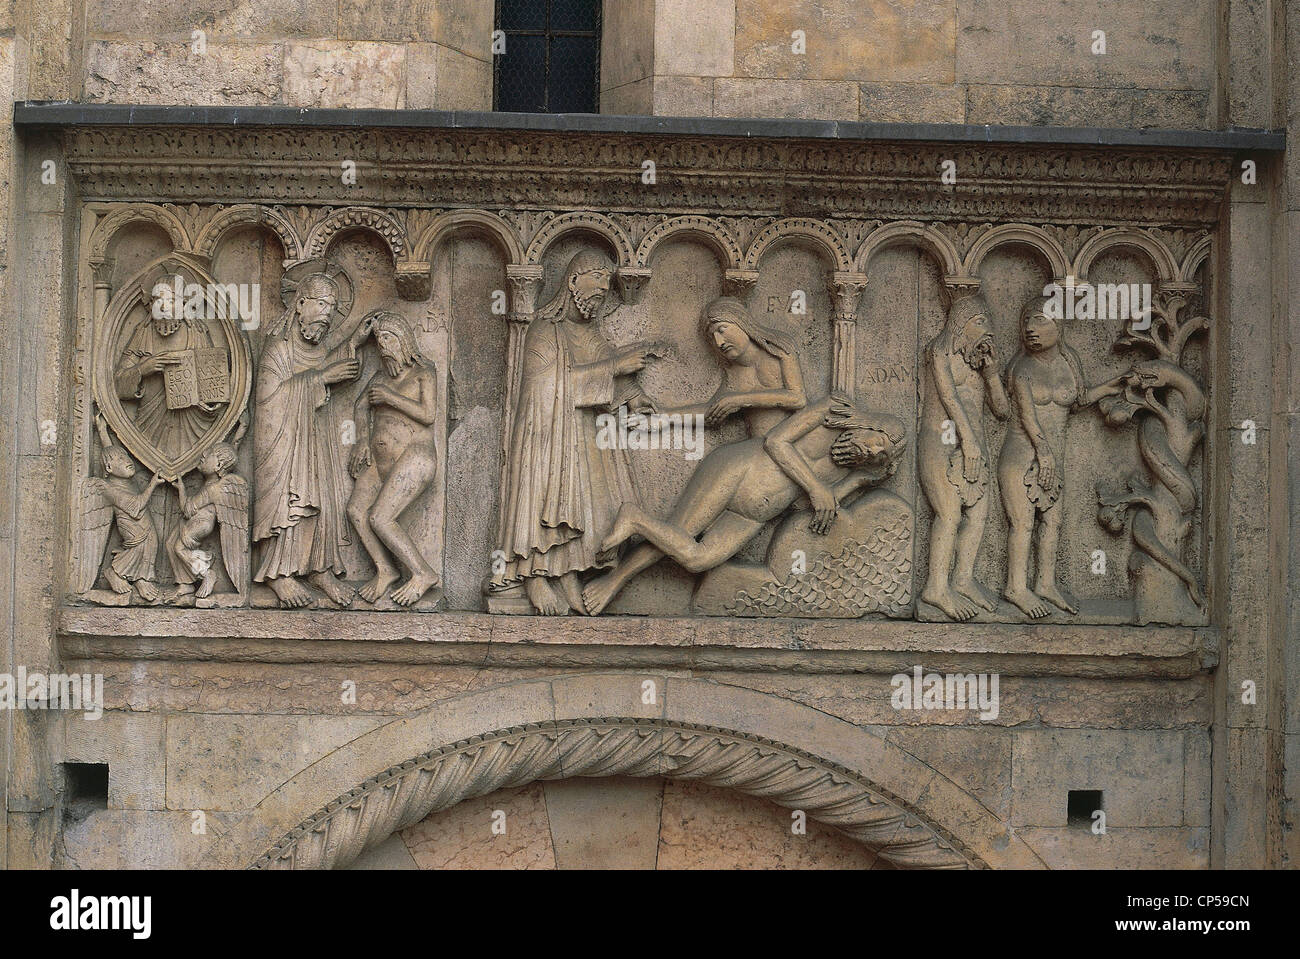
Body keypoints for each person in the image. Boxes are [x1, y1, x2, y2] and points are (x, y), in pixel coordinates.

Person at [582, 395, 906, 615]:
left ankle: (635, 520)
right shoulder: (832, 410)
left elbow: (818, 507)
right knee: (681, 529)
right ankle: (617, 579)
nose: (872, 452)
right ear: (872, 425)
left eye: (880, 456)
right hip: (740, 470)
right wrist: (815, 486)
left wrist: (862, 481)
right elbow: (776, 441)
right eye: (878, 443)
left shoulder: (848, 470)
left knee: (696, 558)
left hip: (753, 516)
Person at [492, 250, 662, 615]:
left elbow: (605, 386)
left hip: (585, 438)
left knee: (589, 503)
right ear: (572, 281)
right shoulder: (544, 330)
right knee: (543, 496)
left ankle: (567, 572)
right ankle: (534, 575)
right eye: (597, 276)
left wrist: (633, 397)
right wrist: (615, 366)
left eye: (607, 280)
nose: (604, 287)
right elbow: (544, 387)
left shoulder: (593, 337)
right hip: (546, 436)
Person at [998, 294, 1125, 618]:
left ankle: (1045, 583)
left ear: (1059, 326)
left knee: (1052, 522)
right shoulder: (1023, 368)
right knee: (1023, 524)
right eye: (1026, 320)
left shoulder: (1068, 363)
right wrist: (1045, 456)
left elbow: (1079, 400)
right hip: (1023, 454)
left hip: (1052, 457)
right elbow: (1028, 418)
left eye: (1039, 319)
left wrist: (1111, 387)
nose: (1030, 327)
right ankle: (1016, 587)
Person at [252, 270, 371, 608]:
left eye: (332, 307)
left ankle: (319, 570)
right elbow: (269, 402)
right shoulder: (277, 350)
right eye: (320, 304)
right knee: (291, 502)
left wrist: (353, 345)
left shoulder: (316, 351)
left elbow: (331, 368)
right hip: (284, 446)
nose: (327, 314)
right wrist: (320, 379)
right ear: (300, 304)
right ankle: (279, 574)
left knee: (322, 499)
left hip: (316, 442)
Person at [918, 293, 1008, 621]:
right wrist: (967, 443)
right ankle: (936, 588)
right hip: (940, 443)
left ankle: (963, 579)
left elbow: (1002, 411)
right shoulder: (939, 351)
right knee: (949, 514)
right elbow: (948, 397)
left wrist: (993, 373)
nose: (990, 331)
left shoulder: (978, 362)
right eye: (981, 322)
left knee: (979, 515)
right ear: (962, 323)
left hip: (976, 446)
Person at [347, 311, 442, 607]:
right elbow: (359, 406)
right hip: (379, 461)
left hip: (415, 457)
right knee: (356, 511)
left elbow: (428, 415)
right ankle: (386, 569)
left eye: (389, 338)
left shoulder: (424, 373)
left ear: (404, 341)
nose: (383, 345)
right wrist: (361, 439)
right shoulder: (379, 377)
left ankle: (422, 573)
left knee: (380, 518)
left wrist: (390, 397)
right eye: (378, 340)